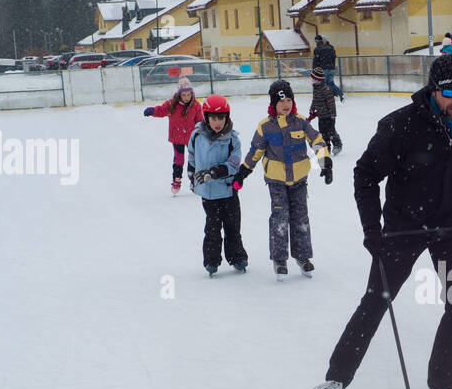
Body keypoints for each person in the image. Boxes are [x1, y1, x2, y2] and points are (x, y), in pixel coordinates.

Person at [308, 54, 452, 389]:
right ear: (434, 90)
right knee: (375, 302)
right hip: (404, 228)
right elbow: (365, 174)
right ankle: (334, 380)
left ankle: (441, 388)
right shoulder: (402, 126)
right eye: (449, 92)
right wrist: (372, 229)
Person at [235, 79, 333, 280]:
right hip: (276, 181)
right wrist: (244, 171)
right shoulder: (265, 127)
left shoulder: (301, 121)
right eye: (281, 101)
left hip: (299, 180)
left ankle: (303, 257)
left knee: (301, 219)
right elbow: (255, 152)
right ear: (273, 104)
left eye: (289, 99)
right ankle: (279, 259)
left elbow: (317, 139)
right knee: (280, 219)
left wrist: (325, 161)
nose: (286, 104)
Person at [187, 94, 248, 277]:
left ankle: (237, 257)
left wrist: (213, 173)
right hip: (209, 194)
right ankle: (212, 260)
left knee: (232, 226)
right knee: (212, 228)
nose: (217, 122)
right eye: (213, 118)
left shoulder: (232, 139)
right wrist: (191, 175)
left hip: (228, 190)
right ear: (206, 117)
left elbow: (234, 165)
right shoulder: (197, 135)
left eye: (221, 117)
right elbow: (192, 156)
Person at [143, 76, 203, 194]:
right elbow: (161, 110)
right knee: (178, 160)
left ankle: (194, 181)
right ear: (179, 94)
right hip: (177, 138)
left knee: (194, 160)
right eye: (184, 95)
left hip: (192, 139)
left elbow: (199, 121)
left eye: (188, 94)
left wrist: (201, 133)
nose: (186, 97)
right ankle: (176, 180)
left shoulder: (195, 105)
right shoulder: (172, 104)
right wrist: (152, 111)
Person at [307, 67, 343, 155]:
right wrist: (312, 108)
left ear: (318, 80)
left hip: (329, 116)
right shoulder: (315, 88)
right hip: (321, 115)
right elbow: (314, 100)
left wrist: (333, 114)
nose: (312, 80)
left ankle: (337, 145)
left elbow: (331, 102)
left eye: (313, 79)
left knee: (331, 132)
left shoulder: (326, 89)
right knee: (323, 133)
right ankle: (326, 148)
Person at [312, 34, 343, 100]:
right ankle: (339, 93)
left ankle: (326, 97)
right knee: (330, 83)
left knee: (323, 84)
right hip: (331, 68)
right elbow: (334, 57)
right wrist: (332, 66)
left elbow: (315, 60)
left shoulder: (317, 49)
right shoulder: (331, 47)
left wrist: (315, 69)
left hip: (323, 69)